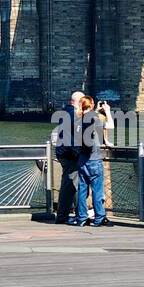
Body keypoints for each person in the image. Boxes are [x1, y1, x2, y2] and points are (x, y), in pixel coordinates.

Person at [71, 96, 113, 226]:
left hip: (82, 161)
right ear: (92, 105)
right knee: (97, 191)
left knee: (82, 191)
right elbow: (110, 125)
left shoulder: (78, 119)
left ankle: (82, 218)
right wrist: (107, 111)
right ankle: (99, 217)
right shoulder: (94, 119)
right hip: (94, 160)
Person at [51, 91, 83, 223]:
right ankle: (74, 215)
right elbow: (74, 138)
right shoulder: (74, 115)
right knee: (74, 185)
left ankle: (67, 214)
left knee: (69, 184)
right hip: (70, 155)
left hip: (63, 153)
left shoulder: (65, 112)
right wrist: (78, 155)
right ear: (80, 102)